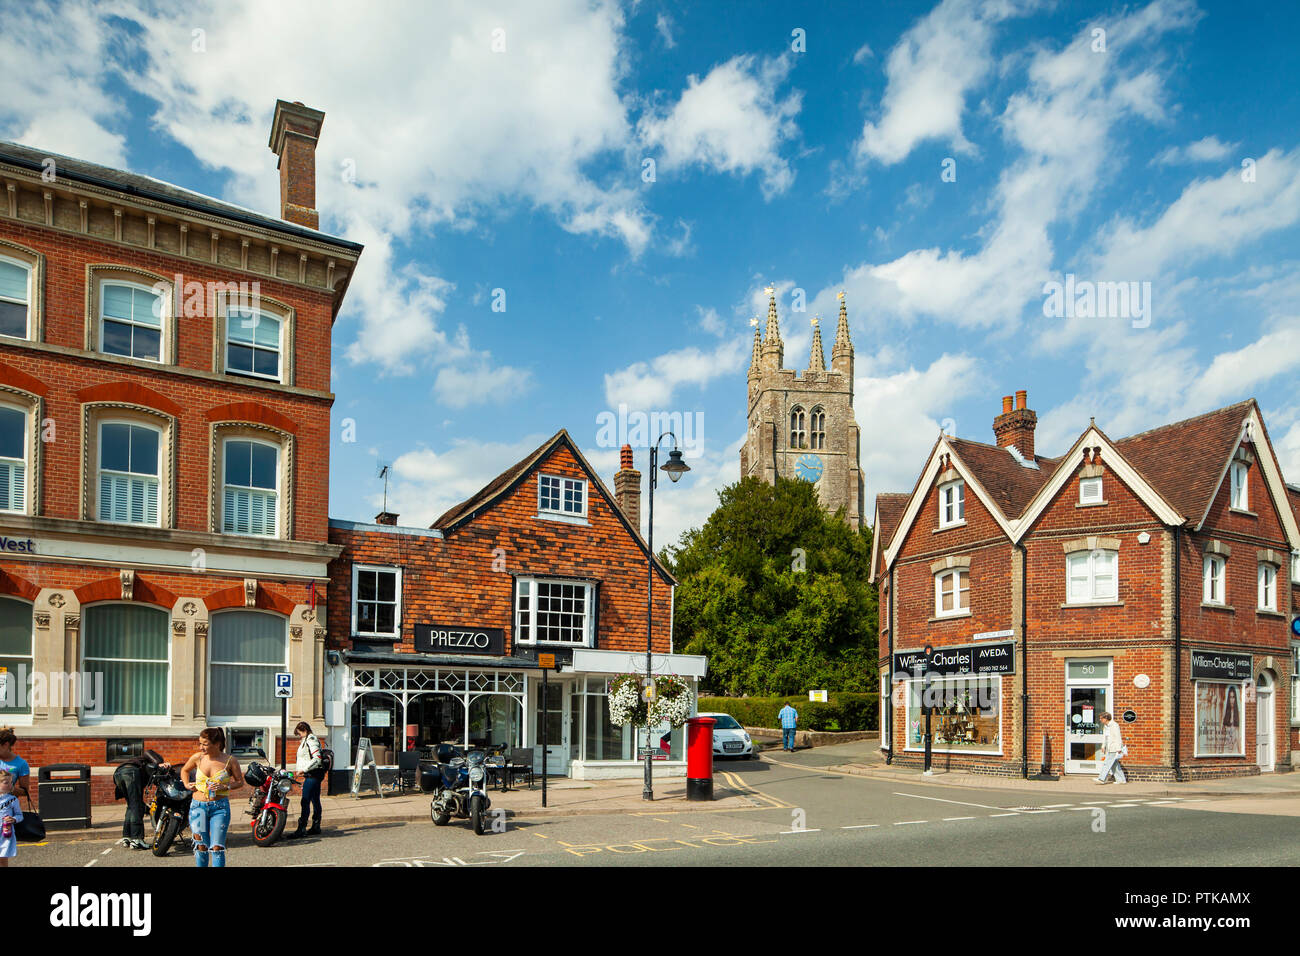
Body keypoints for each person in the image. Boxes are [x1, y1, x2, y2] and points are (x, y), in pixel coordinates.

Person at [180, 728, 244, 867]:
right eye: (200, 743)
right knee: (201, 846)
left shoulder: (230, 761)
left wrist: (225, 787)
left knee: (217, 848)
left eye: (205, 744)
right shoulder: (198, 758)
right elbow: (184, 770)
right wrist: (186, 784)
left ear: (217, 744)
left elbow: (240, 782)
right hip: (198, 808)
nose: (201, 747)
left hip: (219, 808)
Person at [112, 751, 169, 849]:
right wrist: (160, 763)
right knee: (136, 806)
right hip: (131, 773)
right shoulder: (152, 762)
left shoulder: (143, 764)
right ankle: (137, 839)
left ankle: (127, 837)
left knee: (131, 805)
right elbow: (148, 752)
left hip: (118, 773)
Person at [287, 721, 325, 840]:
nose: (299, 736)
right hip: (313, 775)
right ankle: (315, 826)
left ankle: (301, 829)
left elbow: (317, 759)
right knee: (315, 800)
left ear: (303, 730)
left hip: (312, 775)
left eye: (299, 733)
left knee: (305, 801)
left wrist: (303, 769)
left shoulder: (311, 740)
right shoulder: (308, 739)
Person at [1095, 712, 1127, 784]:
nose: (1100, 720)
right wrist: (1103, 746)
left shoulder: (1114, 725)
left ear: (1106, 718)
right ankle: (1121, 780)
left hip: (1114, 747)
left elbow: (1118, 737)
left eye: (1101, 718)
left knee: (1107, 763)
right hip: (1109, 747)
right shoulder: (1105, 726)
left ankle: (1101, 778)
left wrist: (1118, 748)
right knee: (1114, 765)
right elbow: (1105, 737)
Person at [0, 729, 31, 801]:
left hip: (6, 808)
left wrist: (9, 788)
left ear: (6, 745)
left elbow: (25, 791)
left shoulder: (21, 764)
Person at [0, 769, 21, 868]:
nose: (10, 785)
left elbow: (19, 815)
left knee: (3, 860)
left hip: (5, 833)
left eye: (11, 782)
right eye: (6, 782)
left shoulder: (12, 799)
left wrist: (13, 819)